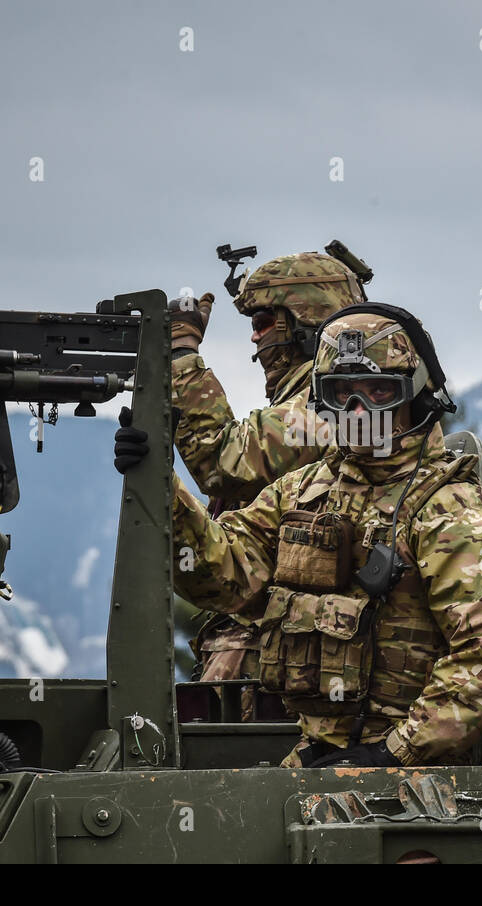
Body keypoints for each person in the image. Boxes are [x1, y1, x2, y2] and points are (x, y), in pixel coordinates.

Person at [115, 305, 482, 766]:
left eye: (378, 391)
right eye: (342, 393)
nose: (358, 410)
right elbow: (221, 574)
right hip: (316, 761)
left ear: (416, 397)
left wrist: (390, 754)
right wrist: (161, 487)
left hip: (421, 776)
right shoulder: (302, 491)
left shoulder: (451, 508)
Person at [162, 251, 367, 705]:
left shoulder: (330, 407)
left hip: (275, 648)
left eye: (261, 323)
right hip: (267, 633)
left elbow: (221, 461)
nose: (254, 342)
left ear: (304, 324)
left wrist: (181, 356)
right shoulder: (311, 401)